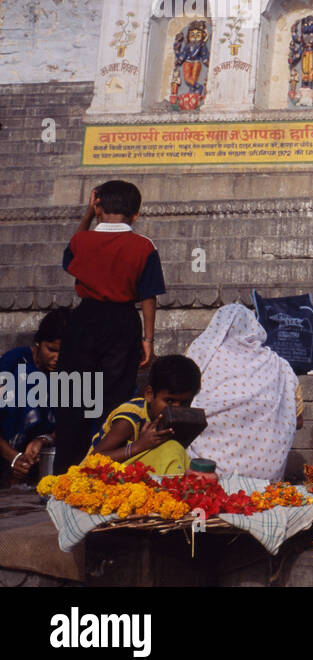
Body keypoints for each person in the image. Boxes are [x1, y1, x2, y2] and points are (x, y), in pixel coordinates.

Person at [54, 181, 166, 474]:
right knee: (113, 400)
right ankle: (106, 469)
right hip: (123, 322)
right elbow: (148, 296)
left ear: (99, 205)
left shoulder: (82, 241)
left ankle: (65, 474)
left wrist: (88, 215)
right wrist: (148, 340)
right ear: (136, 213)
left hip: (83, 322)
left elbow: (70, 258)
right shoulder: (144, 246)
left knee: (73, 397)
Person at [186, 304, 299, 481]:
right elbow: (297, 420)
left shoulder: (200, 355)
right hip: (265, 476)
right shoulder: (280, 366)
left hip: (209, 471)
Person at [87, 355, 201, 477]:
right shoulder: (129, 419)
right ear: (149, 394)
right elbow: (94, 459)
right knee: (172, 448)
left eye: (185, 403)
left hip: (131, 474)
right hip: (95, 475)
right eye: (169, 401)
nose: (176, 409)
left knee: (175, 449)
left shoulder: (175, 418)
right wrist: (138, 446)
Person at [0, 310, 67, 484]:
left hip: (42, 454)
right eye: (51, 350)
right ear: (38, 343)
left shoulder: (70, 371)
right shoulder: (14, 361)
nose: (56, 358)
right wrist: (14, 457)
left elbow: (77, 423)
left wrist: (44, 439)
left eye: (64, 352)